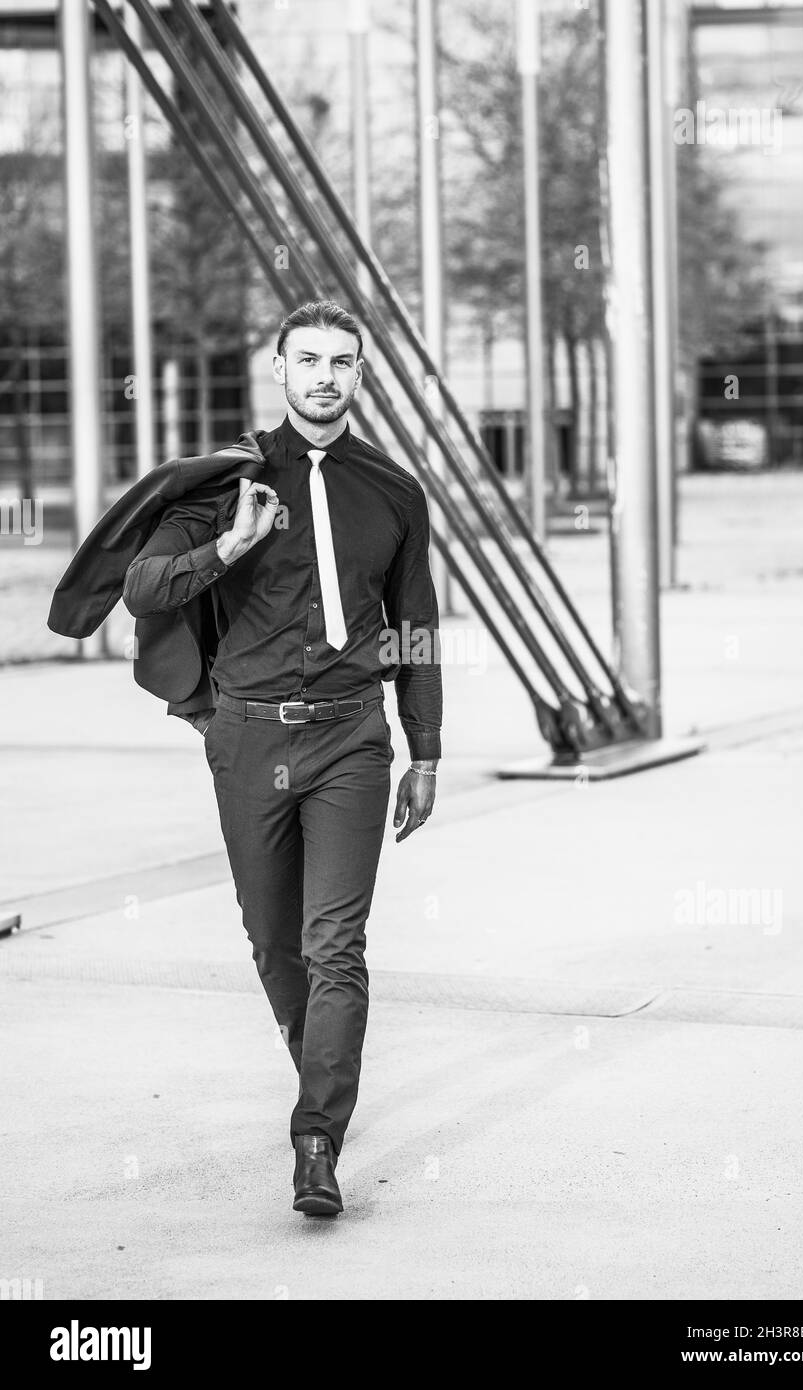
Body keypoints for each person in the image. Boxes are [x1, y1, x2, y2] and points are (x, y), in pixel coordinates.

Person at [122, 300, 442, 1216]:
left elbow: (414, 628)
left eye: (342, 361)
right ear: (279, 368)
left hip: (352, 736)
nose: (325, 376)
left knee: (334, 943)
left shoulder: (393, 490)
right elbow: (145, 586)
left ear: (358, 375)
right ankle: (323, 1072)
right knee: (275, 943)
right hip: (249, 732)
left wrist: (425, 749)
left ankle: (316, 1137)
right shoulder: (227, 482)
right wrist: (230, 545)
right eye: (308, 360)